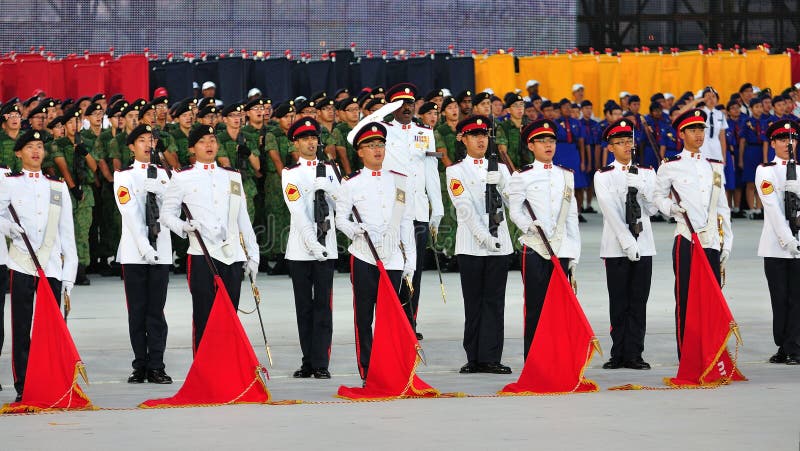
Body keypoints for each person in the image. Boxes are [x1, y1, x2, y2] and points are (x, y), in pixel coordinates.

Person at [160, 125, 259, 351]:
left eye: (212, 140)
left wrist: (253, 255)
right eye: (203, 141)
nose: (209, 145)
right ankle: (205, 374)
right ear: (192, 148)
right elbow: (167, 215)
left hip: (232, 256)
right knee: (204, 318)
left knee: (230, 317)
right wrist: (185, 227)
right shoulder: (183, 178)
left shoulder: (232, 176)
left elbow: (243, 218)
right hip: (202, 256)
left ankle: (228, 370)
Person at [335, 121, 415, 383]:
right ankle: (368, 369)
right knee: (364, 316)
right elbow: (340, 219)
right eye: (370, 146)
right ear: (360, 152)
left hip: (392, 257)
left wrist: (409, 261)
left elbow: (406, 223)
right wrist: (357, 230)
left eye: (380, 144)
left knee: (390, 317)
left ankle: (392, 365)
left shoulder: (400, 181)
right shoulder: (351, 184)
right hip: (364, 255)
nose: (377, 150)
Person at [0, 129, 77, 402]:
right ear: (19, 153)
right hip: (22, 264)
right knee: (21, 328)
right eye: (30, 146)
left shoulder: (56, 186)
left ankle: (49, 379)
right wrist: (8, 227)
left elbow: (68, 233)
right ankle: (24, 385)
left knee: (48, 328)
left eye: (40, 146)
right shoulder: (8, 183)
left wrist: (70, 275)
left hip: (52, 267)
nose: (36, 151)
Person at [653, 109, 733, 356]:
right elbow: (657, 196)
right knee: (686, 300)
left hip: (711, 240)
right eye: (693, 130)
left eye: (701, 130)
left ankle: (713, 354)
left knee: (712, 300)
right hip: (687, 238)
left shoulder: (715, 167)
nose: (699, 135)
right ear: (682, 134)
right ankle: (687, 355)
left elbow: (723, 207)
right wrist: (671, 208)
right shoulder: (670, 166)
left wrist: (727, 242)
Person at [507, 119, 580, 360]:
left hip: (562, 248)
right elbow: (515, 210)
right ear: (531, 145)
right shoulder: (521, 176)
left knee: (561, 308)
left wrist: (574, 255)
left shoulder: (566, 175)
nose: (548, 145)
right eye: (542, 141)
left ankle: (561, 357)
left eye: (551, 140)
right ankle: (536, 360)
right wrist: (529, 225)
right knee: (536, 307)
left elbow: (571, 217)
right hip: (535, 248)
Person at [446, 115, 513, 374]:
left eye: (484, 134)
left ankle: (492, 357)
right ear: (463, 139)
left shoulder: (501, 168)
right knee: (473, 302)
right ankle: (473, 357)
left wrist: (503, 184)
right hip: (472, 245)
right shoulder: (455, 171)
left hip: (500, 243)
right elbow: (463, 208)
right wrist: (483, 237)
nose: (481, 139)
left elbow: (512, 202)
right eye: (474, 135)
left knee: (495, 302)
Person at [594, 119, 658, 370]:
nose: (625, 147)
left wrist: (641, 188)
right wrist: (627, 242)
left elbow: (652, 208)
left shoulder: (647, 172)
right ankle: (618, 352)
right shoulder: (604, 175)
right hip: (616, 247)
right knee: (619, 301)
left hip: (645, 245)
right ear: (610, 147)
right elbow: (609, 211)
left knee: (638, 302)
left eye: (628, 142)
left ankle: (635, 353)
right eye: (619, 143)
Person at [383, 83, 444, 340]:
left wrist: (437, 207)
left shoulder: (424, 132)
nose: (407, 108)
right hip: (392, 211)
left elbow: (430, 171)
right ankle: (391, 320)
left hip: (418, 210)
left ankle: (409, 322)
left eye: (410, 104)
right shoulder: (382, 131)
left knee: (414, 269)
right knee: (393, 266)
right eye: (400, 104)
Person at [113, 124, 173, 384]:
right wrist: (143, 246)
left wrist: (162, 193)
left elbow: (174, 212)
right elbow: (130, 213)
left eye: (151, 139)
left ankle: (157, 364)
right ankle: (140, 364)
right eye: (142, 140)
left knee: (156, 311)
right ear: (131, 146)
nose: (148, 144)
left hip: (161, 251)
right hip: (135, 253)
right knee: (137, 311)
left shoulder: (166, 175)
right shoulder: (123, 176)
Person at [282, 118, 340, 379]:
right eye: (305, 138)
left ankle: (321, 363)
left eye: (314, 137)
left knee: (323, 308)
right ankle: (308, 361)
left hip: (326, 248)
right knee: (304, 308)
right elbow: (297, 211)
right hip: (301, 250)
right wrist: (311, 243)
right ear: (296, 142)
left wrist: (330, 190)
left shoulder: (331, 169)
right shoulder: (290, 174)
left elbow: (344, 205)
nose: (310, 142)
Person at [756, 119, 800, 365]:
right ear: (773, 142)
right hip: (775, 245)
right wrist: (788, 239)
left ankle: (794, 347)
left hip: (798, 246)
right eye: (783, 139)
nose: (788, 143)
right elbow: (772, 208)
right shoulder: (766, 170)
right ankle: (784, 345)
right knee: (780, 298)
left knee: (797, 298)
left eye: (792, 138)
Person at [44, 106, 97, 286]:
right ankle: (64, 268)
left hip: (86, 192)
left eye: (78, 121)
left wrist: (85, 151)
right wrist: (73, 188)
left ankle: (81, 269)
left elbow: (94, 167)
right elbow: (61, 165)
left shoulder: (88, 141)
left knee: (82, 232)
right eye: (70, 122)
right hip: (64, 191)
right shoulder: (57, 144)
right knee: (64, 232)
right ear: (64, 125)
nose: (75, 125)